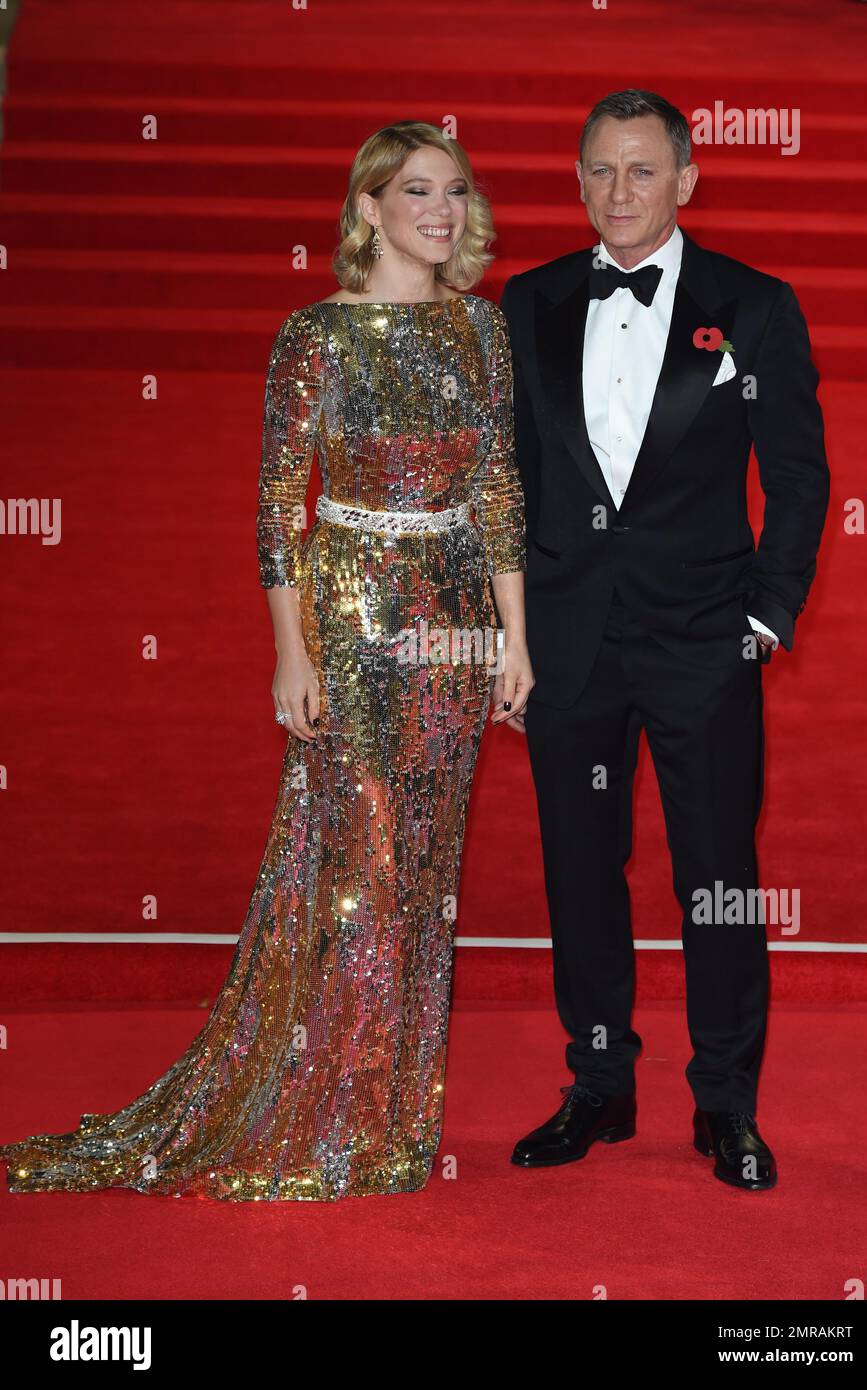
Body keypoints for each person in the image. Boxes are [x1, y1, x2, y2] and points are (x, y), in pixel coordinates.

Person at [0, 121, 531, 1202]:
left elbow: (499, 493)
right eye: (416, 190)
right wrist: (290, 652)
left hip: (457, 617)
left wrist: (515, 636)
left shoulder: (483, 328)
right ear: (369, 207)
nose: (442, 209)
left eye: (455, 191)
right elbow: (273, 508)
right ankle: (320, 1112)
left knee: (427, 873)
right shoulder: (315, 337)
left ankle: (388, 1120)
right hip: (352, 604)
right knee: (359, 860)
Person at [500, 89, 829, 1191]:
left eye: (642, 171)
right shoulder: (531, 300)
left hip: (704, 641)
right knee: (581, 871)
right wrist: (507, 630)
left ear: (687, 180)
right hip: (567, 640)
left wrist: (765, 616)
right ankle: (598, 1086)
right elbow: (509, 480)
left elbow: (796, 477)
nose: (618, 194)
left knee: (717, 880)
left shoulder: (757, 305)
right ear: (578, 176)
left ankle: (725, 1104)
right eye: (598, 170)